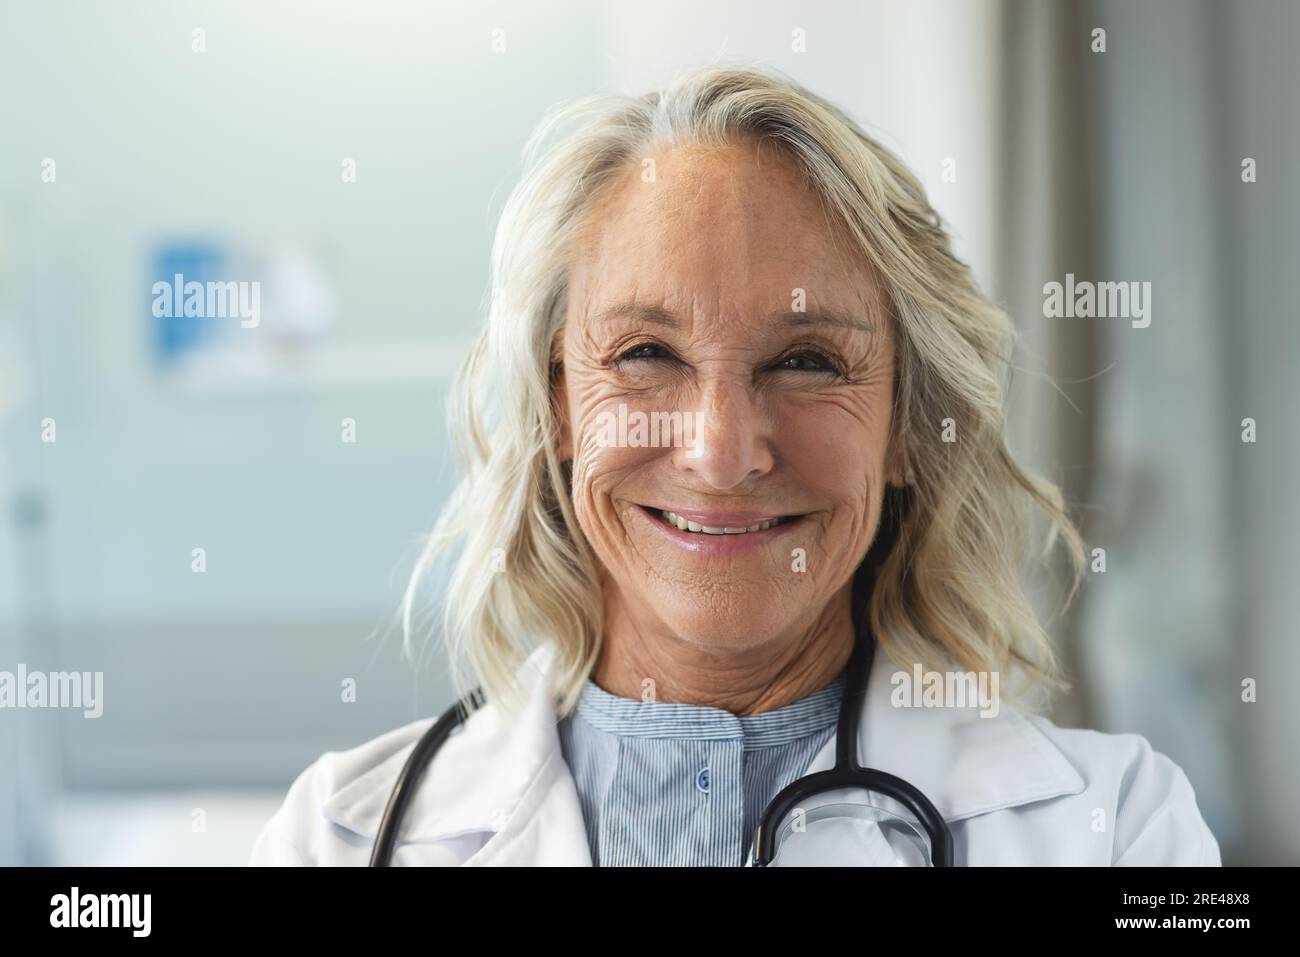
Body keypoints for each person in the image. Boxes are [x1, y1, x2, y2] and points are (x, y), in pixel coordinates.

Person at [250, 65, 1220, 867]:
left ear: (905, 431)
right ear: (559, 409)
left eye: (806, 362)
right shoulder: (337, 839)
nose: (720, 454)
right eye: (644, 355)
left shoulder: (1117, 830)